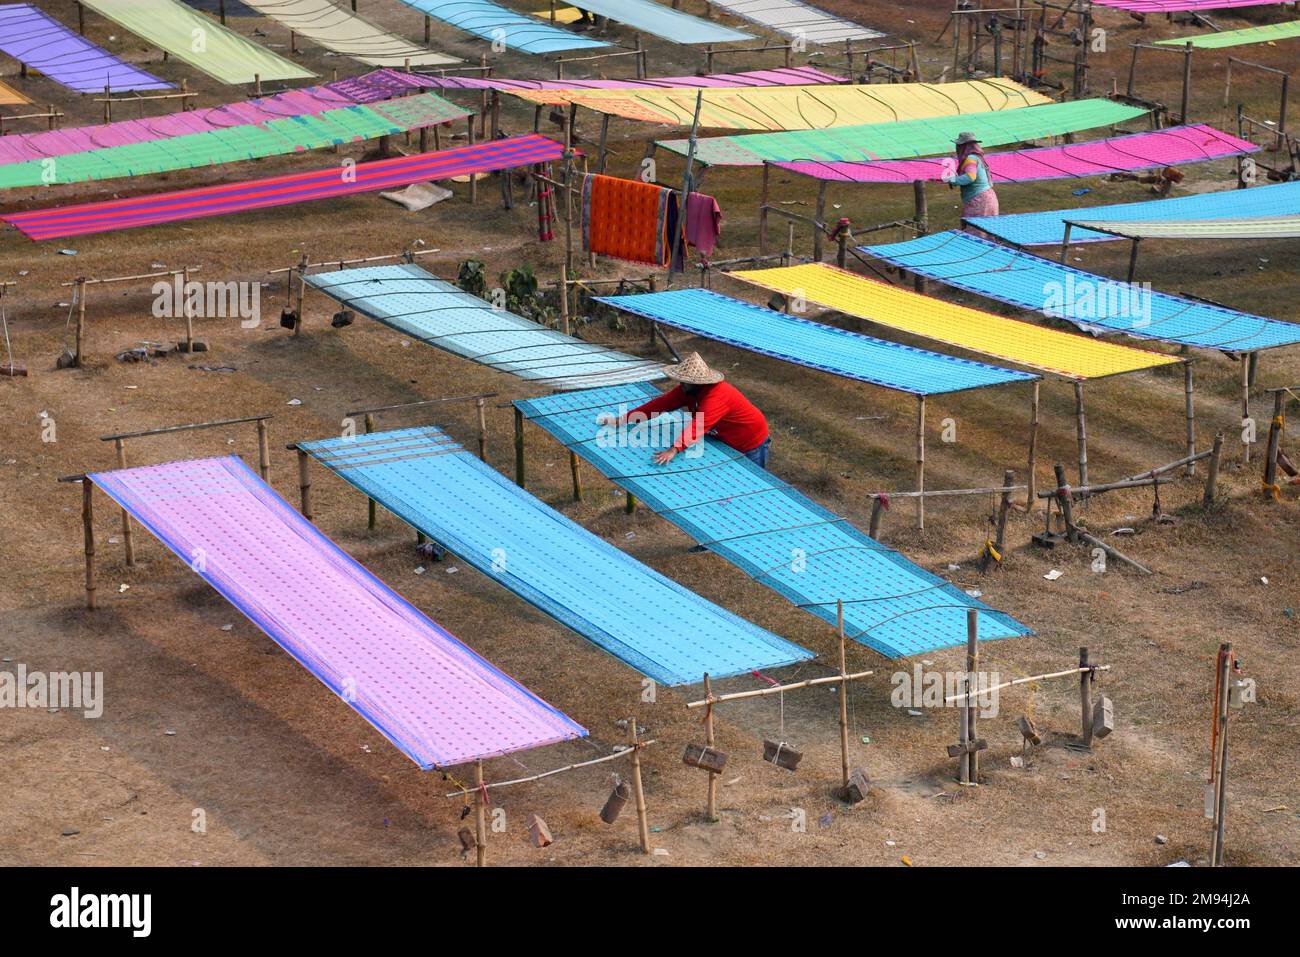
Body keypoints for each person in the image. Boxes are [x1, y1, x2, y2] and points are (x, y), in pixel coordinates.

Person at [597, 352, 771, 468]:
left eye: (684, 382)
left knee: (750, 485)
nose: (680, 384)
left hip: (750, 443)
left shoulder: (716, 397)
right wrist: (623, 419)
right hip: (724, 437)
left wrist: (673, 449)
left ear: (698, 383)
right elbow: (659, 405)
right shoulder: (687, 390)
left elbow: (697, 427)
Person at [948, 131, 1000, 219]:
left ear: (963, 146)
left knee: (974, 230)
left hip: (980, 201)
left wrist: (952, 180)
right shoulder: (978, 157)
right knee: (987, 229)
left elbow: (970, 177)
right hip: (988, 198)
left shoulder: (971, 159)